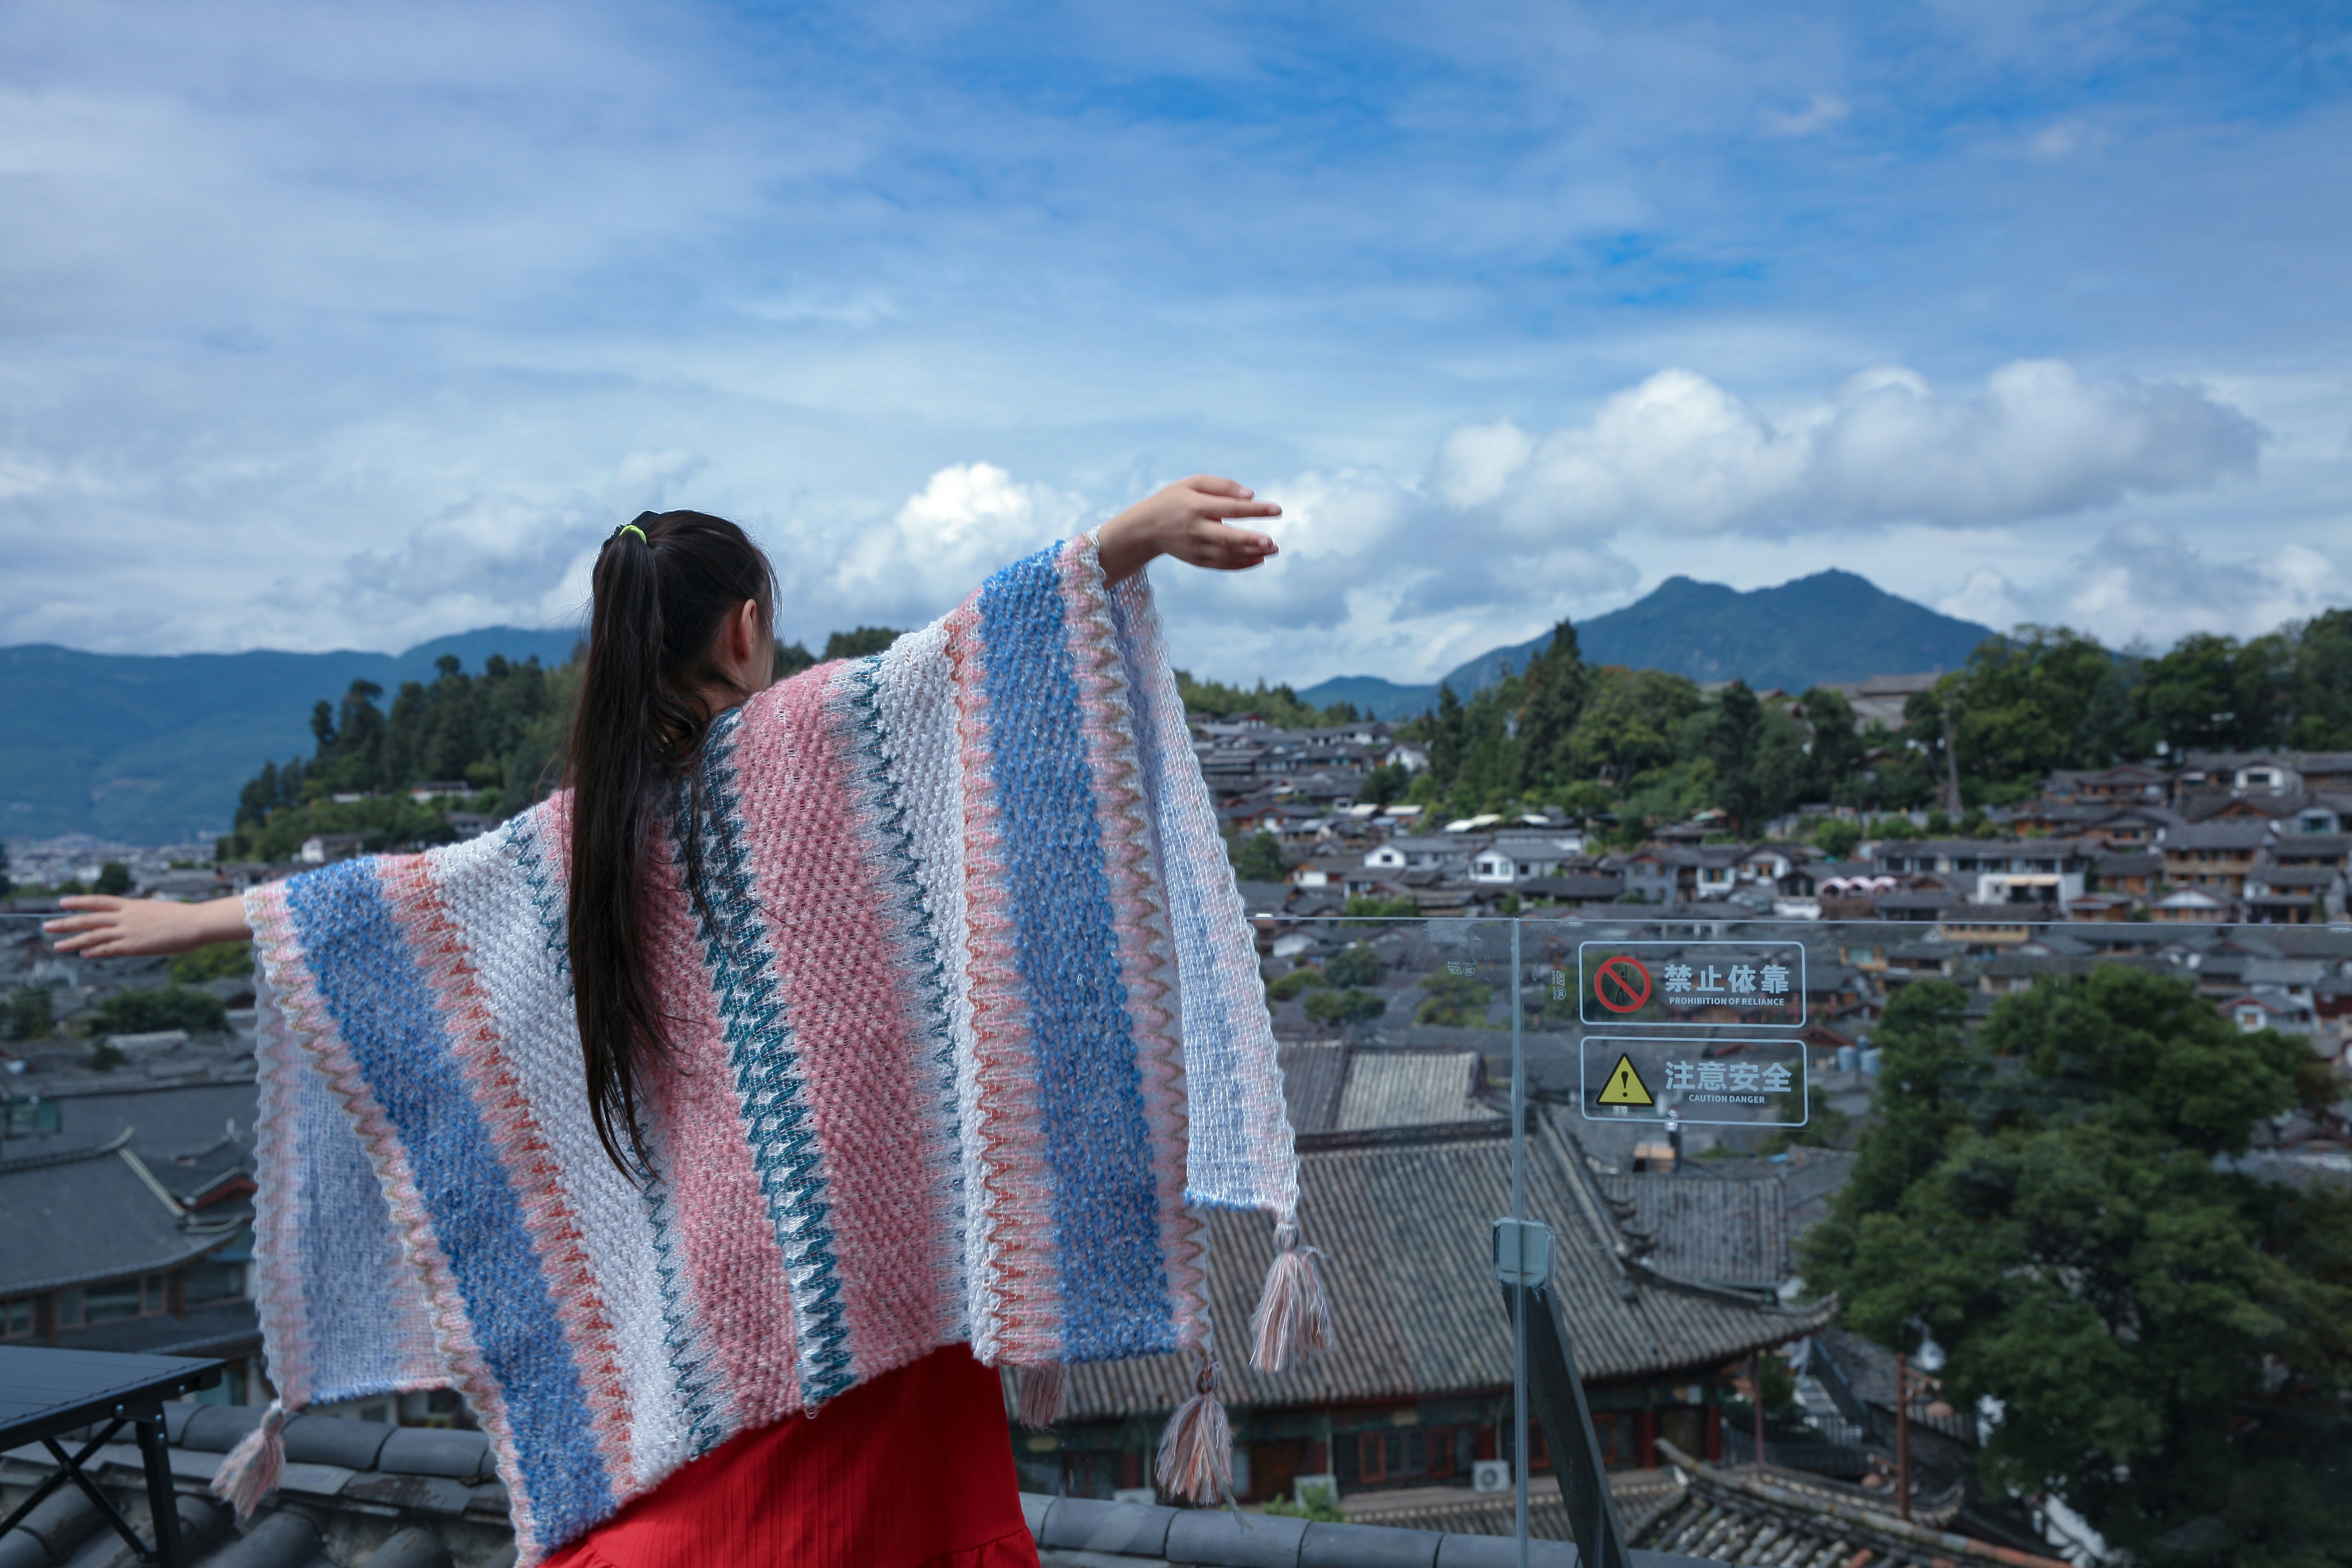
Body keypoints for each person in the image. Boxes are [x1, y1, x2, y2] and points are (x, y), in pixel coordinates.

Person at [45, 476, 1326, 1568]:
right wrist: (1128, 536)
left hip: (710, 1291)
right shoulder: (804, 743)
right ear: (746, 628)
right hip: (876, 1263)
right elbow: (965, 663)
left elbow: (392, 908)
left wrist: (204, 922)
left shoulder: (580, 832)